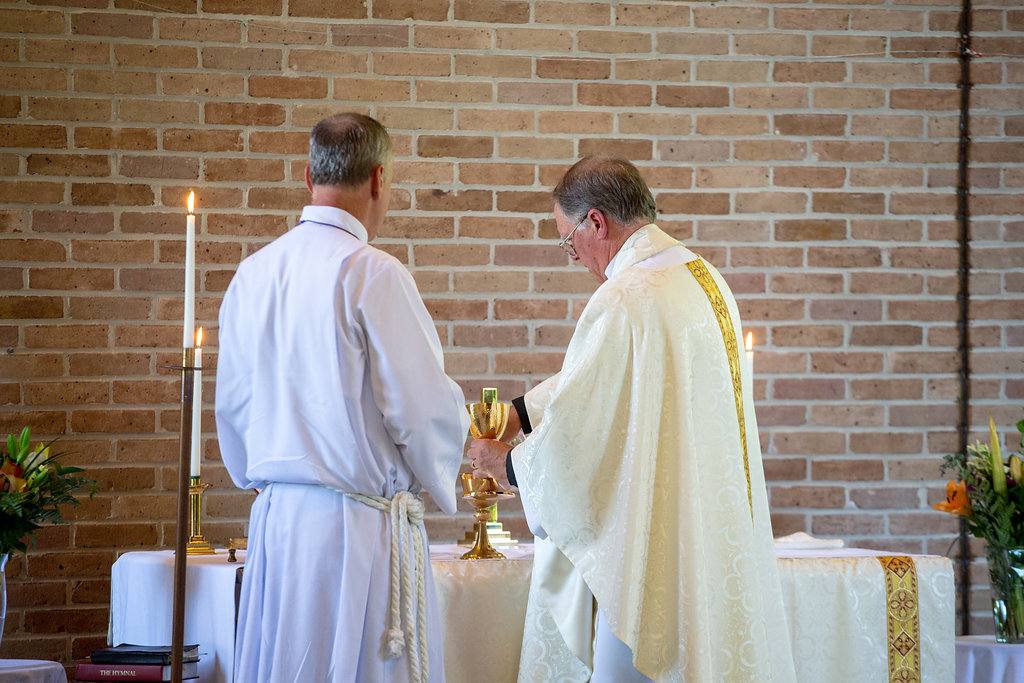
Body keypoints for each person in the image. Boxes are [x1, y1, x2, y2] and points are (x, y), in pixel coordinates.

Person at [469, 157, 797, 682]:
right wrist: (522, 413)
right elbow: (608, 381)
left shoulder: (625, 296)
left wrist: (506, 463)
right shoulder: (701, 278)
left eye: (569, 241)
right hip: (706, 529)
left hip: (652, 546)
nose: (575, 257)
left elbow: (580, 439)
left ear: (596, 223)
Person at [216, 113, 468, 683]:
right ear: (379, 179)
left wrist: (266, 475)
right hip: (358, 531)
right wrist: (452, 456)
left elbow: (232, 406)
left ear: (308, 176)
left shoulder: (253, 274)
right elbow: (421, 410)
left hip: (279, 525)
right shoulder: (372, 274)